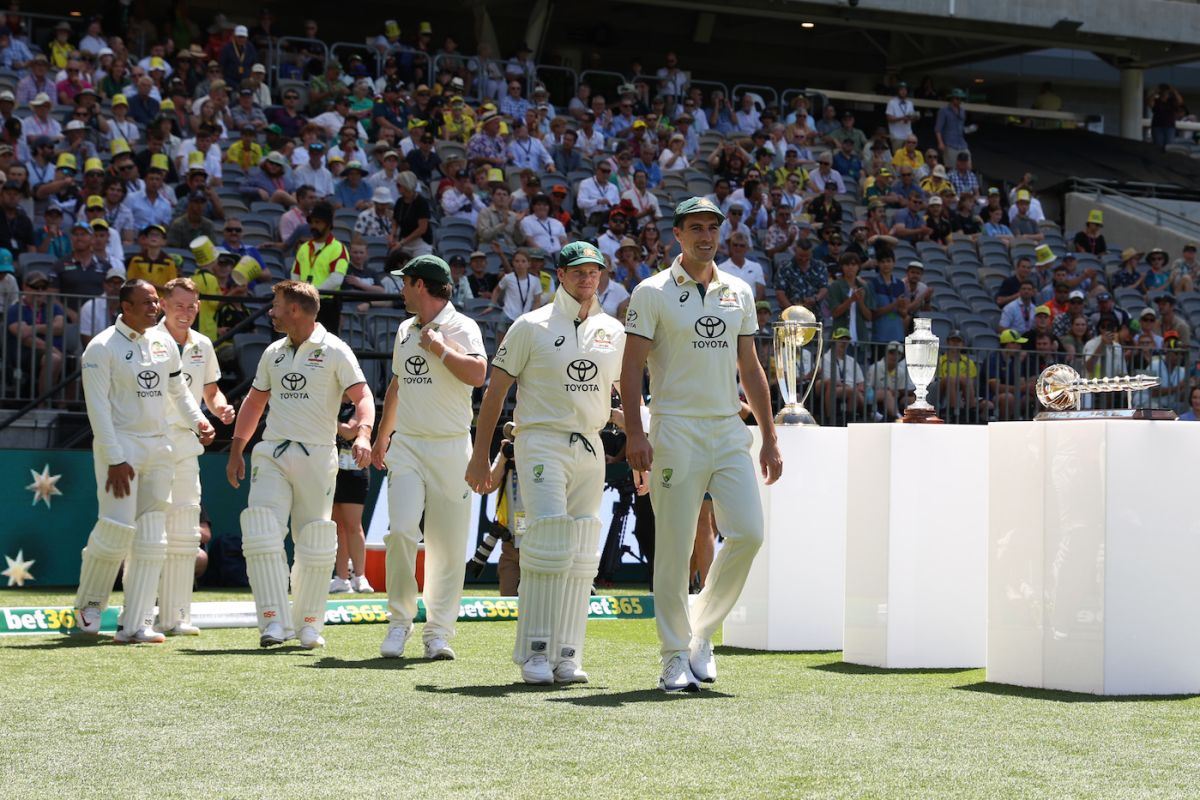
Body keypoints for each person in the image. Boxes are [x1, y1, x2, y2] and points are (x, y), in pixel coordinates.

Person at [620, 197, 781, 692]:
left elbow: (749, 367)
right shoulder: (650, 293)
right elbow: (629, 372)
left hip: (729, 430)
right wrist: (636, 432)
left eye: (713, 227)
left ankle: (701, 631)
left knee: (749, 534)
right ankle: (672, 654)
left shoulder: (739, 290)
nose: (705, 236)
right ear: (676, 234)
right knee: (673, 548)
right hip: (674, 429)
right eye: (696, 228)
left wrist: (769, 436)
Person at [466, 242, 626, 684]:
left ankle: (567, 655)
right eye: (578, 271)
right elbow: (494, 394)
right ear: (560, 274)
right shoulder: (529, 326)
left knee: (579, 552)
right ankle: (535, 652)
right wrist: (480, 457)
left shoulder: (613, 330)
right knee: (548, 540)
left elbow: (614, 396)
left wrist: (639, 443)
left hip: (590, 445)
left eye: (594, 271)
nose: (587, 278)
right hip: (539, 442)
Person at [225, 281, 374, 649]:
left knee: (315, 542)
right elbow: (255, 401)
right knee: (261, 532)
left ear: (294, 309)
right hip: (272, 452)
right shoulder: (273, 352)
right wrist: (237, 448)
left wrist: (365, 433)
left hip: (318, 454)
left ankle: (309, 624)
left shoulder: (335, 349)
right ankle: (273, 623)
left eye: (275, 305)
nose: (271, 311)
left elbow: (363, 395)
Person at [73, 279, 215, 642]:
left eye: (156, 302)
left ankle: (135, 623)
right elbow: (98, 410)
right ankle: (90, 603)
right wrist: (116, 457)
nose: (155, 308)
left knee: (153, 537)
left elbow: (177, 389)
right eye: (148, 303)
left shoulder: (162, 340)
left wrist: (197, 420)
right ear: (126, 307)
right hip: (119, 447)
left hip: (159, 447)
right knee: (117, 528)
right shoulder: (101, 348)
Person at [363, 255, 487, 658]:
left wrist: (440, 349)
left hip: (452, 445)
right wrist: (384, 436)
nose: (400, 290)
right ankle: (399, 622)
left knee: (448, 546)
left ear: (421, 285)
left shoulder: (462, 326)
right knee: (400, 531)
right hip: (409, 446)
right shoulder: (404, 328)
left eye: (404, 283)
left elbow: (477, 375)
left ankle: (437, 633)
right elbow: (398, 385)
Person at [153, 277, 235, 634]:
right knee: (149, 527)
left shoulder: (202, 344)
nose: (185, 312)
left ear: (198, 307)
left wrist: (221, 410)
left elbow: (211, 392)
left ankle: (177, 615)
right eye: (178, 305)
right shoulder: (148, 340)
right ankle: (142, 610)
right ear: (163, 305)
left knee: (186, 530)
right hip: (151, 441)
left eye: (191, 306)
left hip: (188, 443)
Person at [291, 200, 350, 333]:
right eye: (312, 222)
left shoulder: (338, 248)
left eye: (318, 222)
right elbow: (295, 274)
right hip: (304, 304)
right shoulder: (304, 248)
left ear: (328, 224)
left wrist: (309, 294)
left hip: (326, 305)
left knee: (324, 349)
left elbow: (335, 280)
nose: (313, 226)